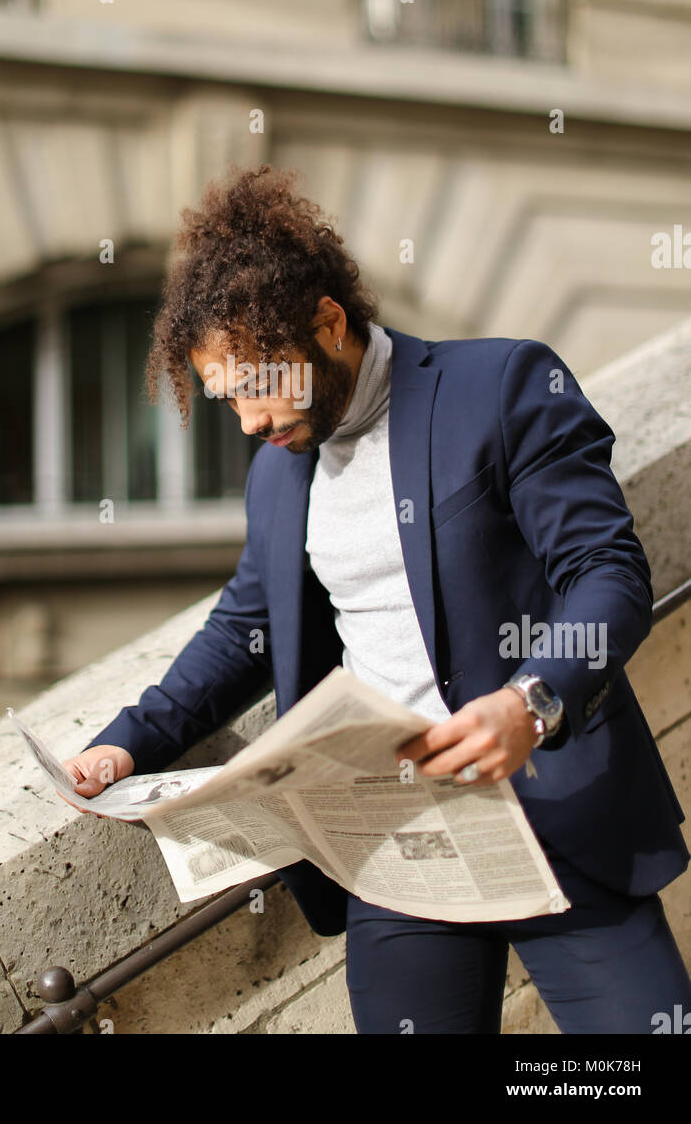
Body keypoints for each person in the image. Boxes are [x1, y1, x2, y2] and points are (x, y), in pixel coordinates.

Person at [61, 164, 690, 1034]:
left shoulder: (503, 388)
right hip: (396, 847)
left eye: (257, 382)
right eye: (225, 397)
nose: (246, 420)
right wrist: (129, 743)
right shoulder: (279, 475)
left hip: (553, 816)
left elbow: (609, 573)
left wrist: (530, 703)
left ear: (327, 322)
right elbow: (247, 626)